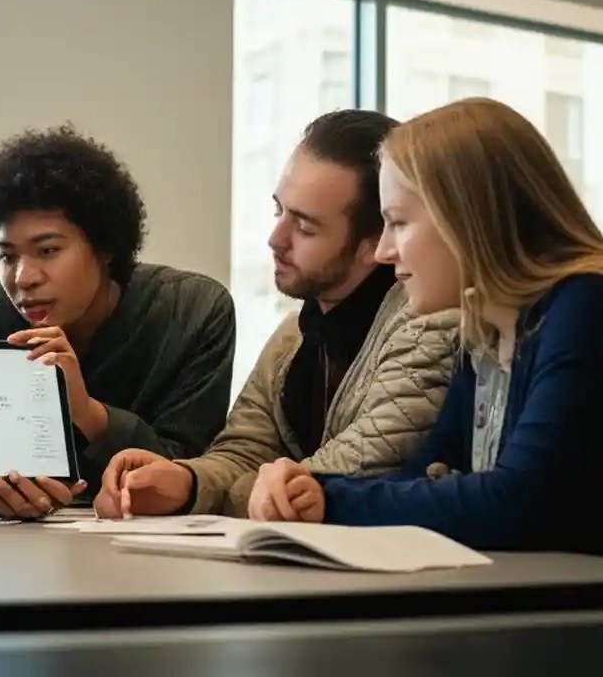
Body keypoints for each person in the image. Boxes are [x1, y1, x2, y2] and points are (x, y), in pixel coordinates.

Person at [246, 98, 603, 556]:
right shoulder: (488, 331)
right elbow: (419, 474)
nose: (382, 251)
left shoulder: (586, 305)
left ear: (469, 218)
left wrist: (329, 498)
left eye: (397, 223)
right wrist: (309, 488)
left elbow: (518, 500)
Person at [95, 110, 459, 520]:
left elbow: (346, 476)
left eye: (304, 228)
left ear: (373, 242)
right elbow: (244, 449)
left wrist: (226, 492)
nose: (275, 239)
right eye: (278, 211)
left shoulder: (427, 319)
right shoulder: (296, 333)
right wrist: (183, 480)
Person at [0, 125, 236, 518]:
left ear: (106, 246)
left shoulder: (192, 312)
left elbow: (188, 471)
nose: (23, 277)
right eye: (7, 255)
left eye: (48, 250)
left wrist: (87, 411)